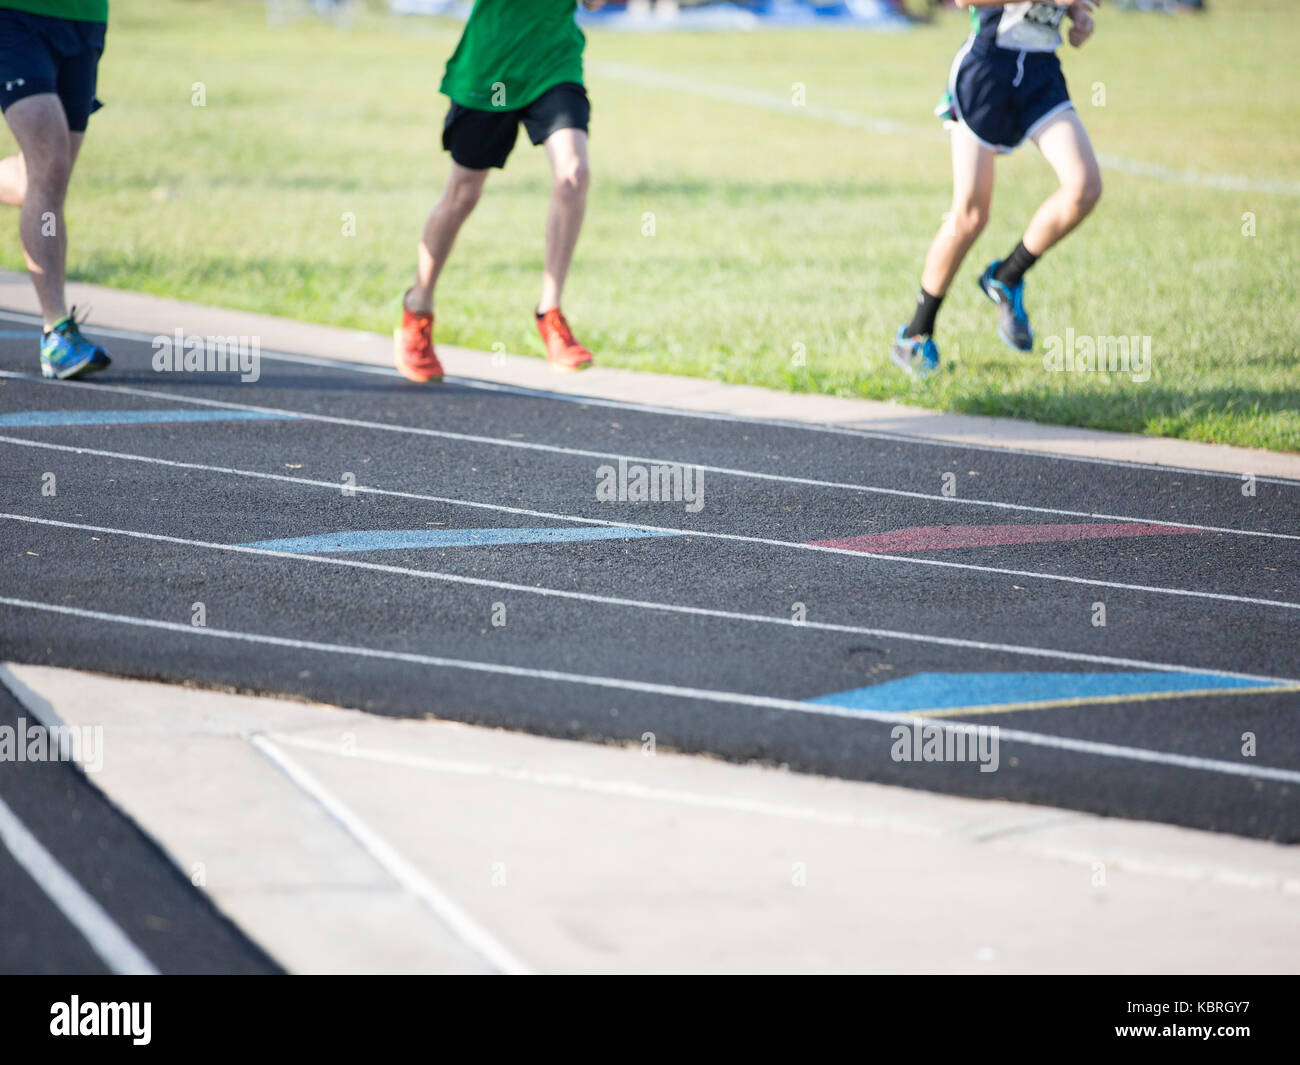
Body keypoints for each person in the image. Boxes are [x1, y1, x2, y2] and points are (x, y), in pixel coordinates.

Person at [395, 0, 605, 383]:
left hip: (552, 63)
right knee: (463, 193)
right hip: (491, 68)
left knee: (573, 173)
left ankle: (550, 311)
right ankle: (418, 307)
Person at [891, 1, 1102, 376]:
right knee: (971, 216)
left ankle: (1007, 276)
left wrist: (1079, 17)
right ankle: (916, 333)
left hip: (1040, 73)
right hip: (988, 69)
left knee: (1083, 187)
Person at [0, 0, 110, 379]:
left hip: (84, 19)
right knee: (51, 168)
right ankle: (57, 331)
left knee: (39, 180)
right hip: (15, 17)